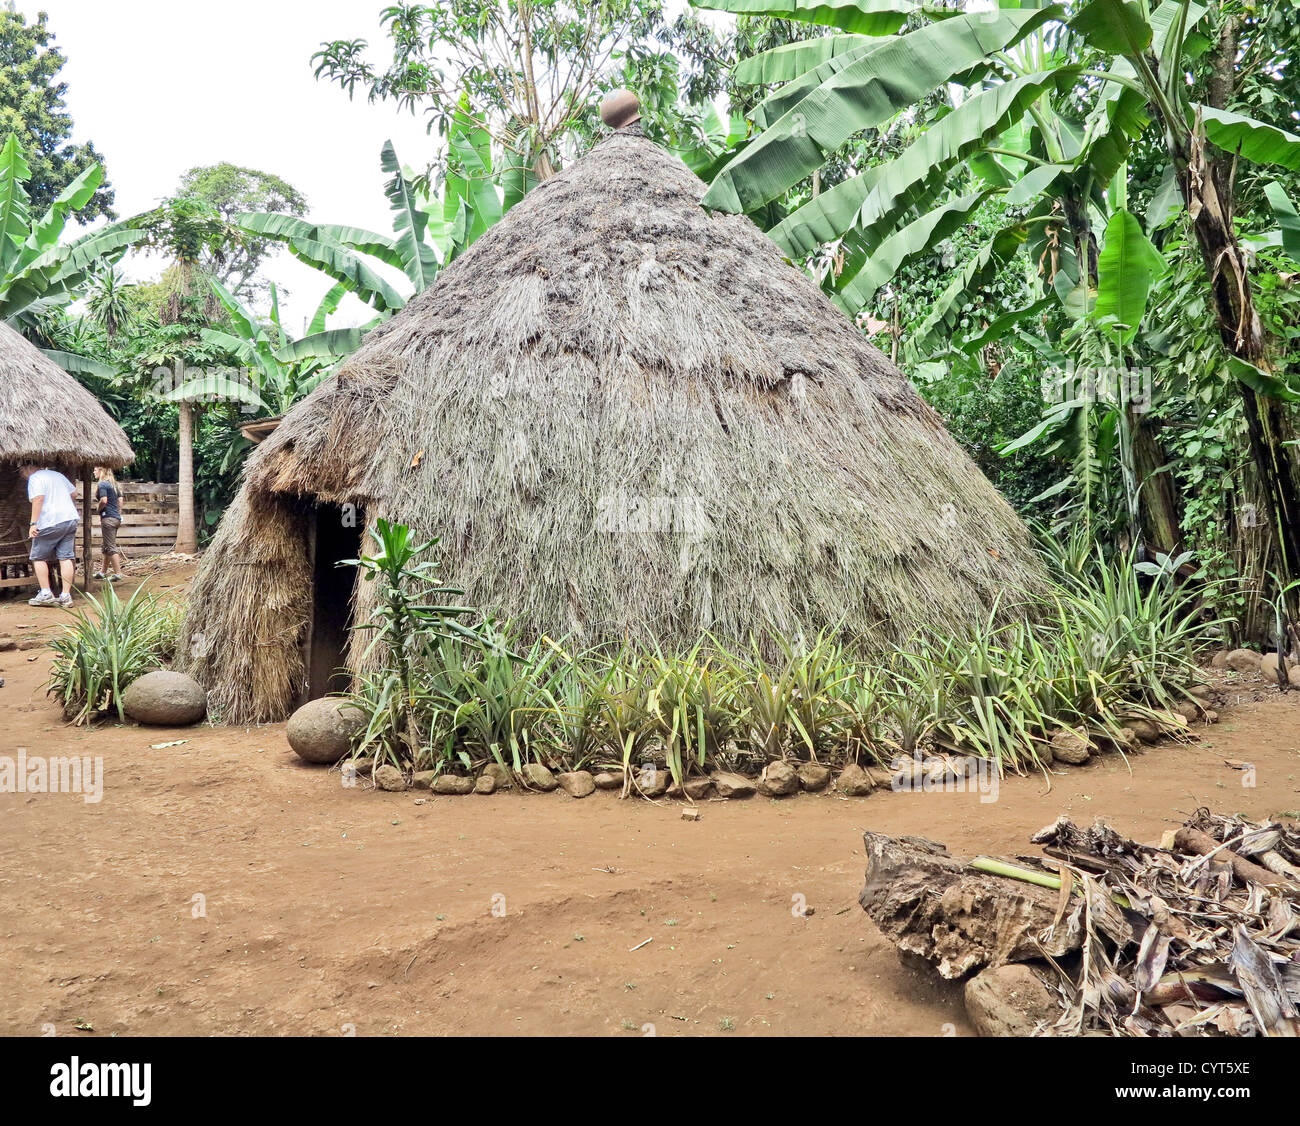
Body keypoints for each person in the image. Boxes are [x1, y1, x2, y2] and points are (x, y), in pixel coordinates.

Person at [19, 462, 80, 608]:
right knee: (65, 556)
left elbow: (38, 499)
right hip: (69, 519)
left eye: (21, 471)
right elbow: (74, 493)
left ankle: (46, 593)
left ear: (28, 468)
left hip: (50, 521)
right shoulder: (57, 475)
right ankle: (65, 595)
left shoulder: (35, 478)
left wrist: (33, 523)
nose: (22, 475)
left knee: (38, 557)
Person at [93, 466, 126, 582]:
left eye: (95, 470)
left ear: (102, 471)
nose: (94, 472)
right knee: (106, 545)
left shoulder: (102, 484)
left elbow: (104, 500)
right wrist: (118, 513)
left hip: (108, 519)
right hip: (116, 518)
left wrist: (98, 509)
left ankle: (118, 573)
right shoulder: (116, 485)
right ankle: (102, 572)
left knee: (110, 547)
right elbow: (120, 501)